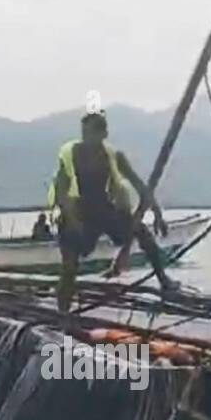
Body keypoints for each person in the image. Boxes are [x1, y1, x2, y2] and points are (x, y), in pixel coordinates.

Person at [48, 111, 176, 312]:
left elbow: (139, 185)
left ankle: (163, 279)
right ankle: (63, 313)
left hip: (102, 209)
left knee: (141, 231)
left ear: (103, 134)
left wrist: (158, 214)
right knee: (69, 266)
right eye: (84, 133)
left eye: (91, 133)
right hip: (78, 211)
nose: (87, 138)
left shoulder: (113, 156)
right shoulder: (71, 155)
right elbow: (61, 192)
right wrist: (73, 222)